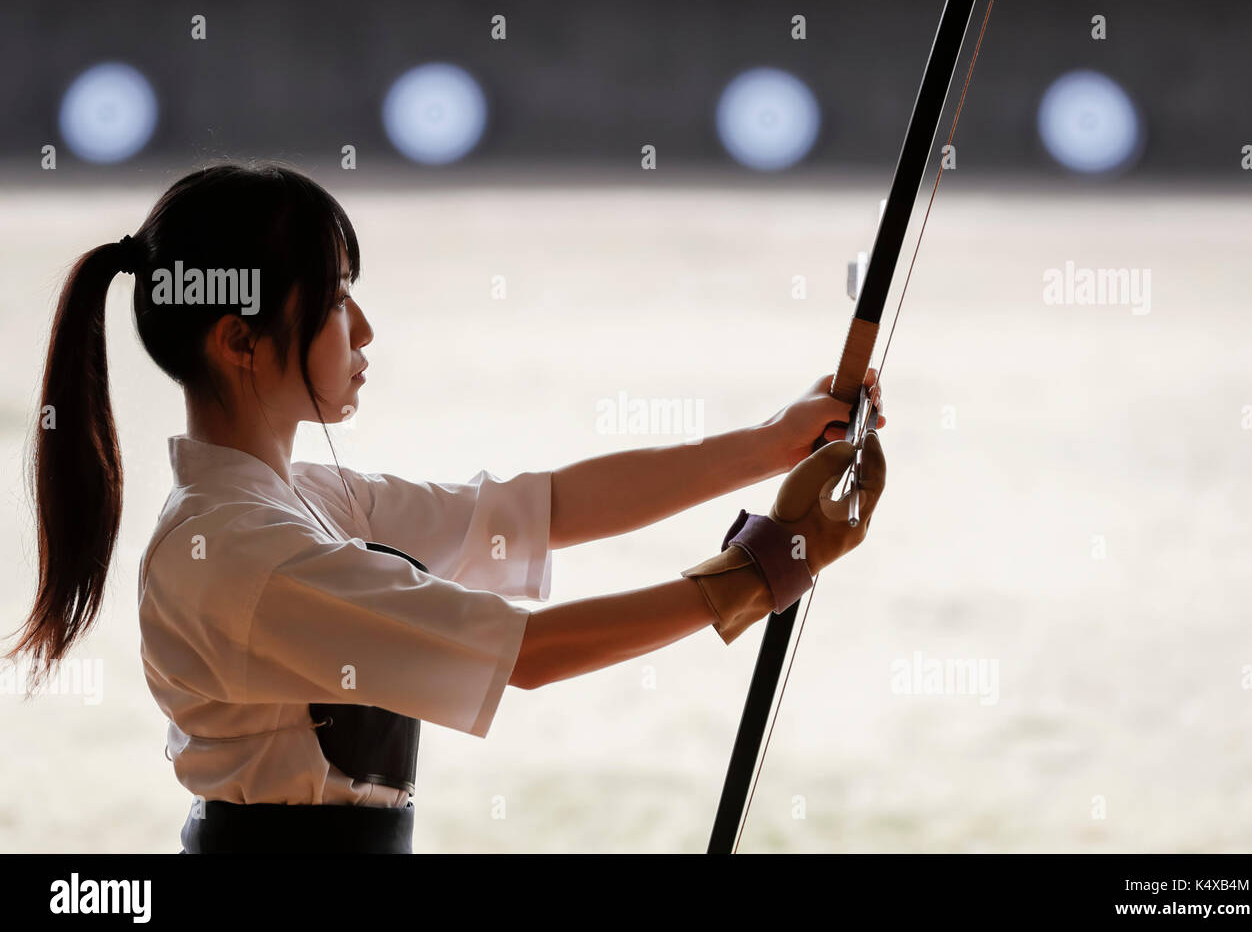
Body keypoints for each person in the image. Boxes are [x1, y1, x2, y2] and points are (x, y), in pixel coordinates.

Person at [6, 161, 885, 853]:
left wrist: (771, 443)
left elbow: (544, 508)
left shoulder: (301, 501)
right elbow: (528, 655)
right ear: (239, 339)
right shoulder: (240, 553)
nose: (365, 328)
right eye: (336, 298)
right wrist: (767, 571)